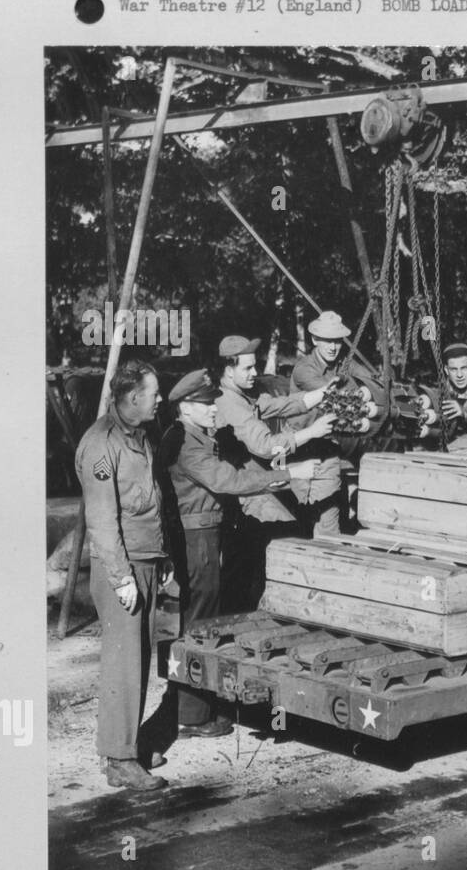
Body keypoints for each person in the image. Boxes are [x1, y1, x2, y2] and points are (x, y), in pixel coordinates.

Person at [157, 369, 320, 738]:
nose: (214, 409)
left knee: (202, 617)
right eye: (205, 404)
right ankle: (192, 715)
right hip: (197, 537)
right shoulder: (187, 443)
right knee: (199, 622)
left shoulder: (192, 435)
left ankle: (195, 706)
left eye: (213, 402)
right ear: (186, 408)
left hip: (201, 532)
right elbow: (227, 481)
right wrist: (289, 474)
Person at [75, 359, 172, 790]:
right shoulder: (101, 443)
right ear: (134, 397)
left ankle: (128, 743)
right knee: (123, 662)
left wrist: (162, 556)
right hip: (123, 565)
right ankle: (118, 759)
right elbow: (101, 518)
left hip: (146, 557)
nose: (160, 399)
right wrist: (121, 577)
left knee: (139, 658)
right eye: (154, 393)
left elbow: (150, 500)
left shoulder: (139, 435)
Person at [214, 334, 336, 608]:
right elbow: (266, 446)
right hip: (243, 497)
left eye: (255, 366)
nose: (254, 373)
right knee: (246, 565)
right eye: (247, 368)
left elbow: (280, 405)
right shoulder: (229, 403)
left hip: (258, 485)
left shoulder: (245, 394)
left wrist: (322, 394)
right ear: (229, 370)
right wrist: (311, 432)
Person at [288, 311, 382, 536]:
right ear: (315, 340)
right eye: (327, 340)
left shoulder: (345, 363)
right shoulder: (304, 369)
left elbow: (372, 382)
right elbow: (331, 394)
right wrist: (360, 388)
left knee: (328, 525)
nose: (333, 347)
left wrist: (373, 386)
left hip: (328, 449)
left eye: (337, 341)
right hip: (299, 448)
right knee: (299, 519)